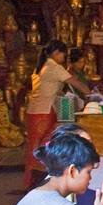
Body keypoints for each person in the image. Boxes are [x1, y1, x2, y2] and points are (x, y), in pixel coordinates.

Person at [23, 40, 90, 189]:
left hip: (33, 111)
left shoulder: (40, 67)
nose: (63, 58)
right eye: (63, 54)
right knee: (44, 146)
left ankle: (30, 183)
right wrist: (91, 94)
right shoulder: (53, 67)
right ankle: (37, 182)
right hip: (45, 112)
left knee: (34, 146)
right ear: (56, 53)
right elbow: (75, 82)